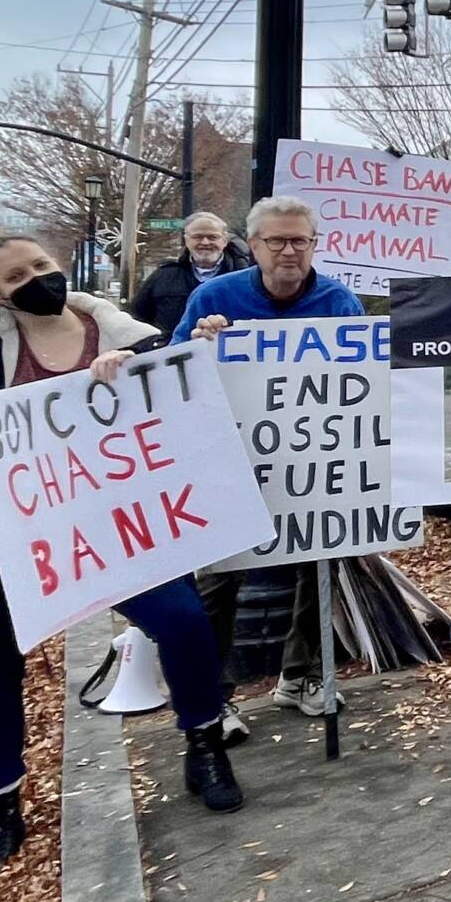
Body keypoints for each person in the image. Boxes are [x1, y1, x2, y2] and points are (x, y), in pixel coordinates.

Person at [0, 233, 244, 882]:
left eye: (42, 264)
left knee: (181, 620)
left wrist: (188, 348)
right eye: (16, 275)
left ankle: (205, 747)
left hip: (121, 527)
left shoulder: (117, 328)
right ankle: (1, 811)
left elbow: (178, 392)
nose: (37, 277)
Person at [179, 196, 366, 732]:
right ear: (254, 245)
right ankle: (216, 696)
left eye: (300, 241)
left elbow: (364, 382)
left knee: (320, 562)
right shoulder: (213, 297)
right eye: (277, 241)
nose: (289, 250)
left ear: (314, 245)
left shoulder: (339, 302)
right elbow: (173, 373)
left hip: (312, 460)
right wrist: (199, 346)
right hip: (231, 462)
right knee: (218, 581)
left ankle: (300, 674)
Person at [131, 211, 250, 339]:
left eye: (212, 237)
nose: (205, 242)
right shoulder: (162, 277)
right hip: (173, 355)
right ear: (186, 240)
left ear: (225, 240)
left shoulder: (246, 279)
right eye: (198, 237)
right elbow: (136, 321)